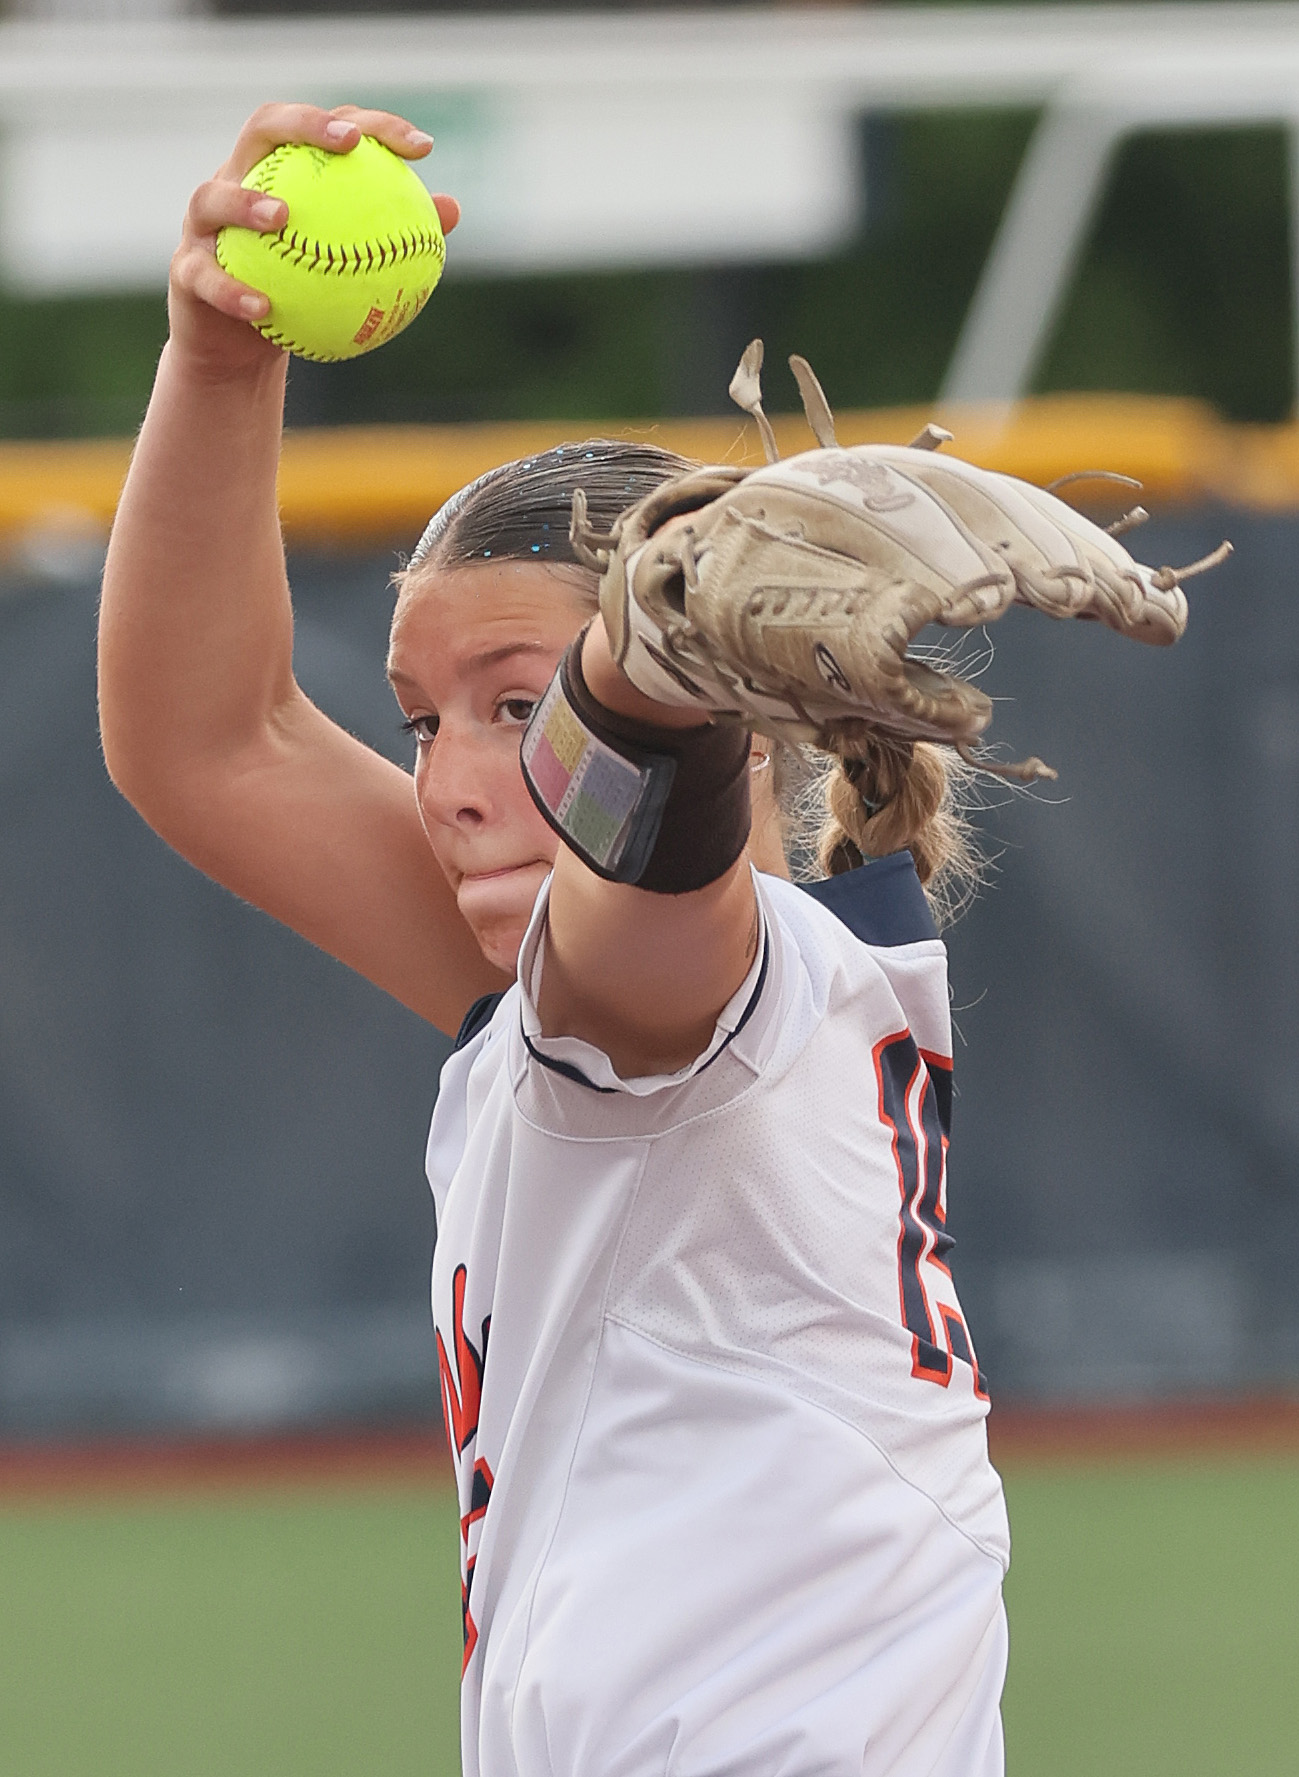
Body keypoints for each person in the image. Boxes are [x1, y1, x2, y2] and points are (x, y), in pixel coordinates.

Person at [99, 104, 1009, 1777]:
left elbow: (649, 848)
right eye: (419, 719)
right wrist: (220, 372)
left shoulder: (695, 995)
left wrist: (647, 682)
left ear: (695, 695)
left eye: (517, 704)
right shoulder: (625, 987)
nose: (446, 780)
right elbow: (209, 742)